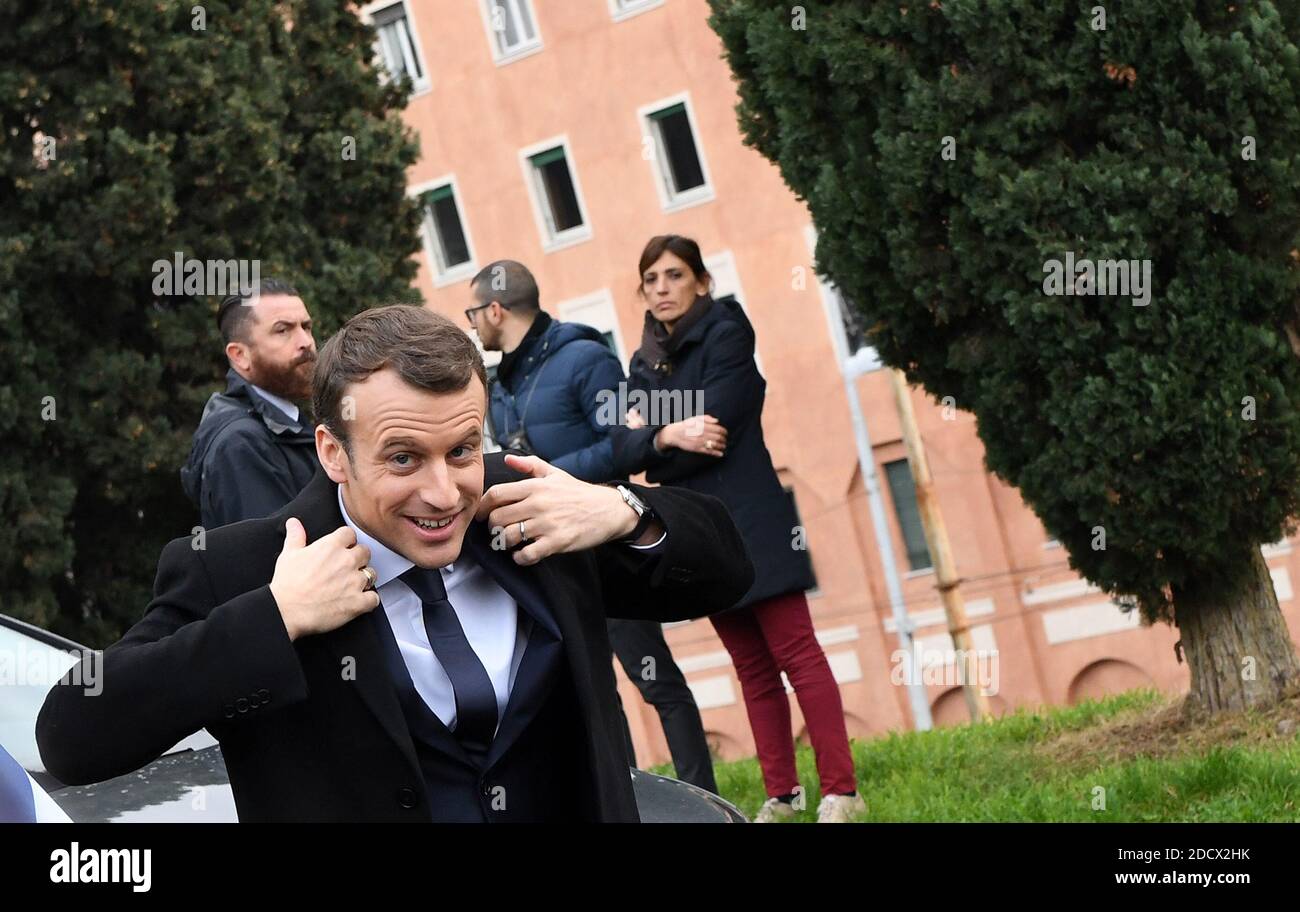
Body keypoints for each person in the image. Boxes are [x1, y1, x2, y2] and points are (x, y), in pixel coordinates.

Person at [38, 304, 753, 822]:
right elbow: (74, 736)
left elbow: (727, 567)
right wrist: (275, 618)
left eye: (463, 450)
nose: (443, 493)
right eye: (404, 458)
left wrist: (623, 510)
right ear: (331, 452)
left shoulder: (531, 508)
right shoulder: (248, 568)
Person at [611, 235, 866, 823]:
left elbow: (720, 419)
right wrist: (673, 435)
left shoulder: (727, 331)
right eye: (651, 280)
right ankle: (782, 793)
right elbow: (632, 447)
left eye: (674, 276)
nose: (662, 289)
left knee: (797, 654)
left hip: (755, 518)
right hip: (699, 530)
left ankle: (842, 792)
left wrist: (657, 431)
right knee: (750, 666)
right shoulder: (642, 360)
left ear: (701, 282)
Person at [468, 260, 719, 794]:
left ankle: (704, 797)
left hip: (604, 541)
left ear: (495, 310)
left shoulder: (585, 357)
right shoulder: (501, 381)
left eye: (474, 313)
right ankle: (622, 799)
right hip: (547, 552)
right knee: (593, 692)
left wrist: (553, 480)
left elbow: (621, 446)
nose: (472, 325)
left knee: (655, 679)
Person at [180, 277, 319, 529]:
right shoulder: (241, 444)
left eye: (306, 327)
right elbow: (272, 559)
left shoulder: (285, 424)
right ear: (240, 355)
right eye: (283, 330)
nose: (306, 342)